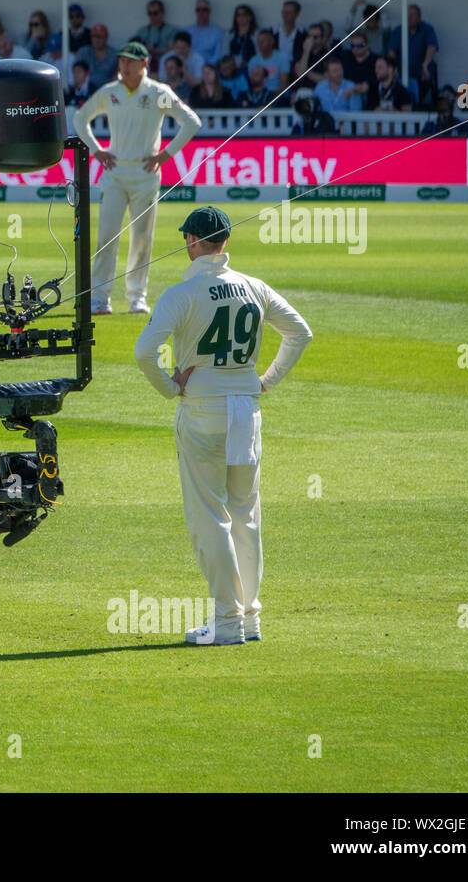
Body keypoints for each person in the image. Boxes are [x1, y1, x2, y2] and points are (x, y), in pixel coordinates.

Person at [134, 206, 311, 646]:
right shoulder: (254, 287)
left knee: (210, 519)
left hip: (203, 410)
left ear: (193, 241)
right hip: (246, 410)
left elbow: (144, 351)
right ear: (225, 243)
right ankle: (248, 620)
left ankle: (227, 621)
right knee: (245, 516)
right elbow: (300, 332)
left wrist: (171, 387)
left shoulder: (183, 292)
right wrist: (266, 380)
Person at [74, 41, 202, 316]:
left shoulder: (158, 93)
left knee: (142, 238)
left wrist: (165, 155)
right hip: (115, 172)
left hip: (145, 175)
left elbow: (191, 121)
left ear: (145, 64)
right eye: (122, 61)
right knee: (107, 236)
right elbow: (79, 118)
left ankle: (136, 298)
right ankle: (99, 298)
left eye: (131, 62)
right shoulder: (110, 93)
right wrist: (96, 151)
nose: (125, 67)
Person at [388, 4, 439, 108]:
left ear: (419, 17)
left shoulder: (427, 29)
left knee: (428, 73)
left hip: (420, 70)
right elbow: (391, 52)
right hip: (401, 71)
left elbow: (432, 47)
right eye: (407, 15)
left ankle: (416, 105)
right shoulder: (398, 31)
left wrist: (425, 64)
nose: (409, 18)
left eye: (412, 15)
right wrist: (392, 68)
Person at [132, 0, 177, 67]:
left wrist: (154, 50)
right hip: (145, 66)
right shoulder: (142, 31)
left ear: (162, 12)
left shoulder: (171, 30)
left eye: (155, 13)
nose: (152, 16)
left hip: (165, 66)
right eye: (150, 13)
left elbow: (172, 51)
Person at [185, 0, 223, 64]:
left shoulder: (217, 32)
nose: (201, 13)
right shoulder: (186, 31)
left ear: (209, 11)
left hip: (207, 67)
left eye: (204, 10)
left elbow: (217, 56)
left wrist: (207, 67)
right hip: (188, 65)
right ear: (195, 12)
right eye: (198, 10)